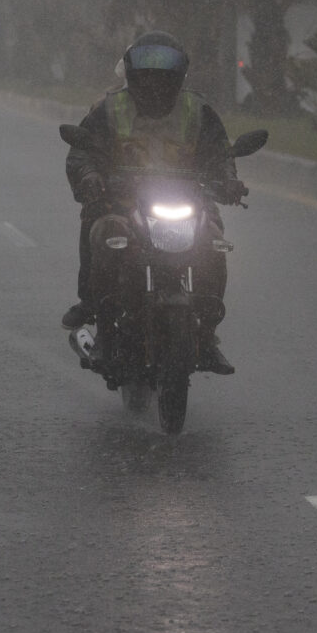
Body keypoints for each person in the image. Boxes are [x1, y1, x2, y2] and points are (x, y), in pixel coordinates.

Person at [62, 31, 243, 375]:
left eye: (163, 78)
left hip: (189, 205)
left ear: (178, 78)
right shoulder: (109, 109)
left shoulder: (198, 111)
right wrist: (90, 177)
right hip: (121, 206)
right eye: (146, 77)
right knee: (102, 233)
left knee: (213, 243)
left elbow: (220, 154)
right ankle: (101, 326)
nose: (154, 85)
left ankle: (206, 335)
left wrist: (229, 182)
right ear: (132, 75)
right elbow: (82, 152)